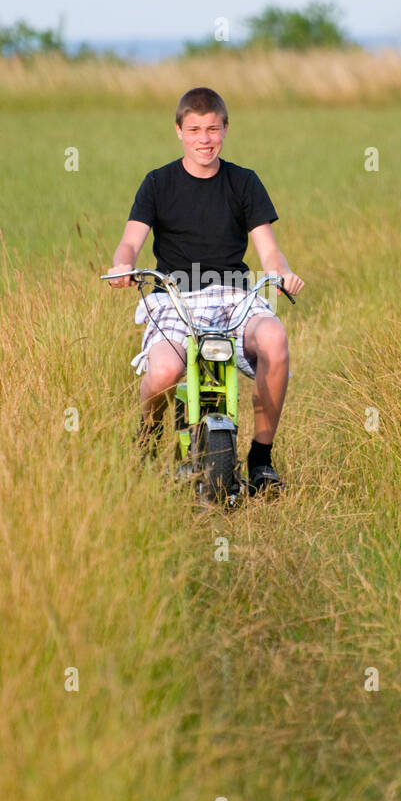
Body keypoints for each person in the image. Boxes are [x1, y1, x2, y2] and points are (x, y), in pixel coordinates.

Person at [107, 85, 304, 494]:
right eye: (195, 129)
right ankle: (147, 440)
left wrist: (282, 274)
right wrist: (124, 264)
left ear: (225, 130)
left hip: (234, 298)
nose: (204, 139)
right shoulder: (158, 183)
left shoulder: (244, 182)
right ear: (178, 130)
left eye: (212, 129)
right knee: (163, 371)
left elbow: (269, 251)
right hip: (174, 298)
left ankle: (261, 460)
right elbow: (131, 240)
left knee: (274, 338)